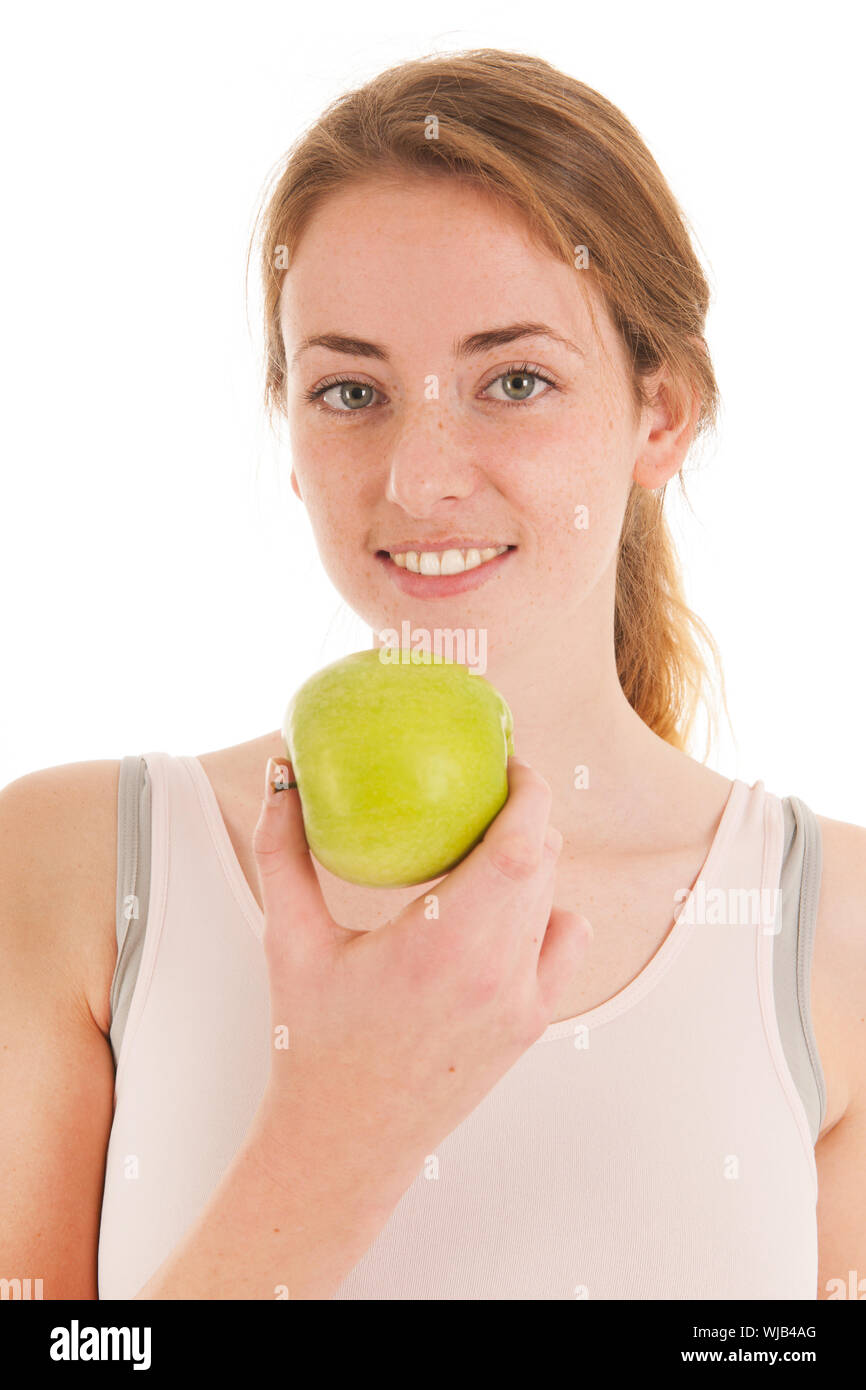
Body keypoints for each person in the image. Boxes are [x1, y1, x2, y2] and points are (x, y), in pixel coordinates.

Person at [2, 48, 863, 1303]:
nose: (418, 477)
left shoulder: (832, 931)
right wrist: (341, 1128)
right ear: (289, 435)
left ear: (659, 412)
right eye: (349, 389)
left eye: (513, 379)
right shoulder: (74, 869)